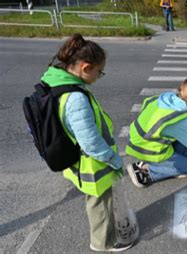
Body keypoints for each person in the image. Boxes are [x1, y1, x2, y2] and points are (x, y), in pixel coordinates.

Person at [41, 34, 134, 252]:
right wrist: (113, 159)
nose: (99, 76)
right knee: (99, 204)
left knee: (98, 202)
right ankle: (104, 242)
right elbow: (90, 142)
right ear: (85, 67)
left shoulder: (59, 81)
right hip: (93, 163)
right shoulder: (76, 98)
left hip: (83, 159)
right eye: (99, 72)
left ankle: (102, 238)